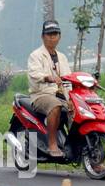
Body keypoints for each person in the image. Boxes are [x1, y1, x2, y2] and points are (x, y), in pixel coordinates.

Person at [27, 19, 72, 157]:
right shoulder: (35, 55)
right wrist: (48, 77)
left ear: (59, 36)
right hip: (41, 95)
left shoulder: (62, 57)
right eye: (49, 34)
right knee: (55, 106)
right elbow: (34, 74)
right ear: (43, 36)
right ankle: (52, 144)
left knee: (77, 108)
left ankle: (79, 147)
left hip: (60, 95)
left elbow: (69, 79)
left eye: (55, 34)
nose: (52, 37)